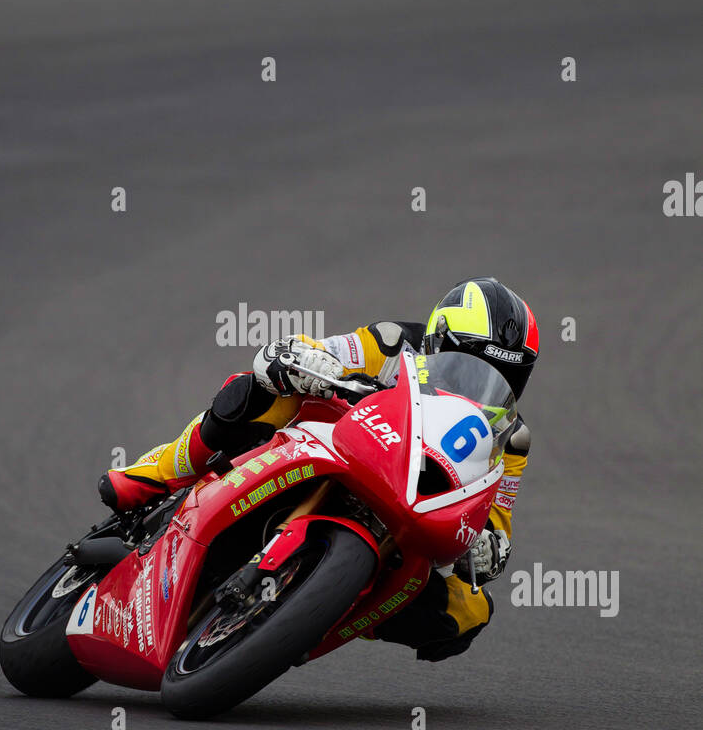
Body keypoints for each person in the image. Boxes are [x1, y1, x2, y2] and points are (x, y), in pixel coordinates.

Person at [99, 278, 538, 661]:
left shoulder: (509, 439)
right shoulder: (393, 343)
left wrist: (488, 548)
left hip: (402, 510)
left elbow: (496, 522)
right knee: (265, 388)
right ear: (441, 341)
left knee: (470, 611)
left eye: (505, 373)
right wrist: (298, 359)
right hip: (328, 447)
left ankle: (316, 614)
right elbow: (311, 352)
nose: (487, 378)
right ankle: (155, 473)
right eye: (477, 362)